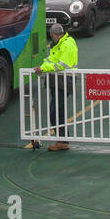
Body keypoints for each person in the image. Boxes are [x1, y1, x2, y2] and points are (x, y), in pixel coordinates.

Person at [30, 22, 78, 151]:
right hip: (57, 81)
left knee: (56, 112)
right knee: (56, 111)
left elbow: (61, 65)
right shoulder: (60, 44)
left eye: (51, 36)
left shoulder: (66, 44)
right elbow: (52, 61)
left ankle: (63, 140)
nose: (51, 38)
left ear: (55, 35)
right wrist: (44, 67)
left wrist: (43, 68)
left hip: (62, 81)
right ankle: (62, 140)